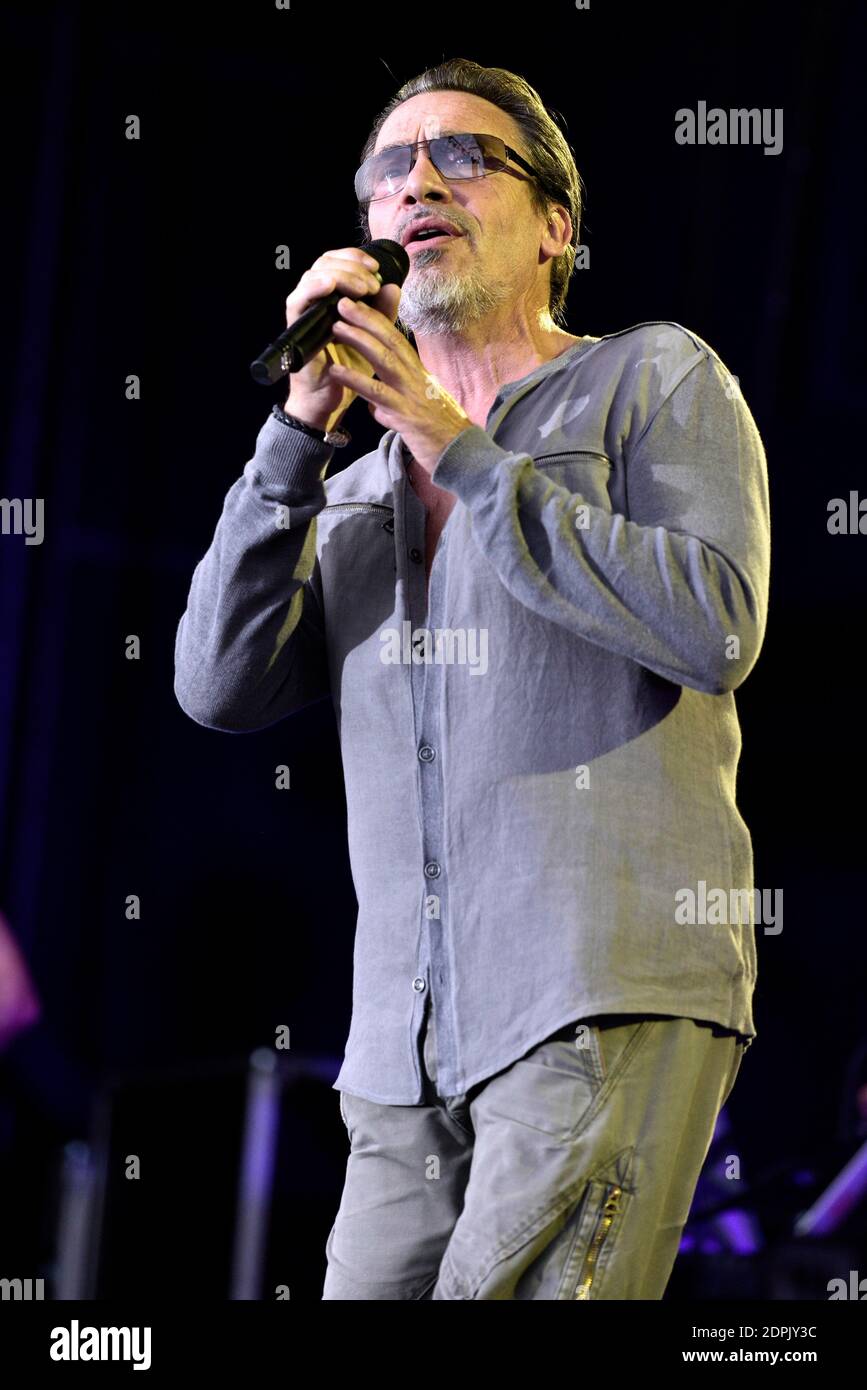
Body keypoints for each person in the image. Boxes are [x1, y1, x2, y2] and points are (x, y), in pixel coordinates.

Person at [173, 58, 770, 1299]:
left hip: (596, 997)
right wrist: (295, 432)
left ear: (557, 226)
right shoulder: (351, 489)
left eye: (462, 155)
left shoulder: (653, 379)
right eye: (390, 169)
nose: (417, 183)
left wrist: (459, 444)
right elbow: (215, 685)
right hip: (400, 1059)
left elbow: (717, 620)